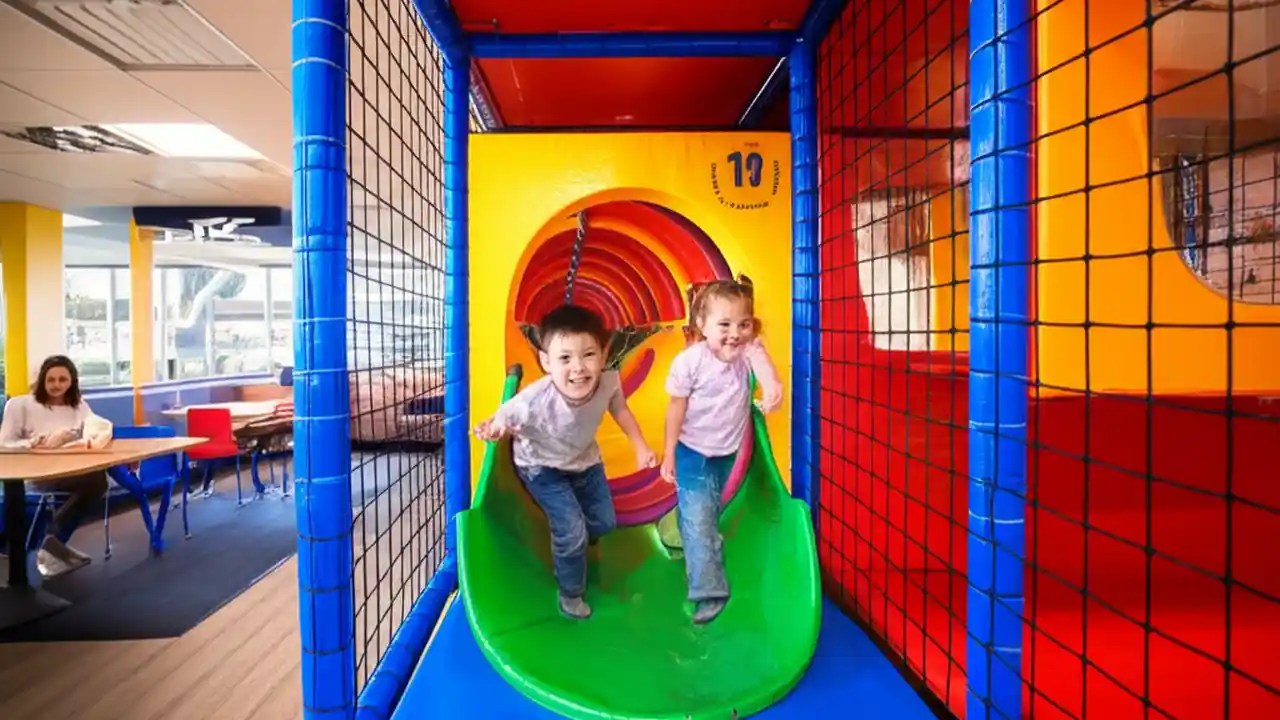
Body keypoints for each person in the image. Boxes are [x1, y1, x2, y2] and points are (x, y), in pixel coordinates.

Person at [475, 305, 658, 619]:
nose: (578, 368)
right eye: (565, 358)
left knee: (604, 523)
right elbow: (505, 416)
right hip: (543, 469)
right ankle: (571, 592)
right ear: (546, 361)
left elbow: (621, 411)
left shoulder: (608, 382)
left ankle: (578, 542)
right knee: (572, 532)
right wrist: (493, 428)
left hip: (586, 462)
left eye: (588, 355)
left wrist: (640, 446)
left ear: (604, 353)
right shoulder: (534, 400)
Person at [661, 278, 783, 624]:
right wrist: (669, 452)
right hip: (693, 451)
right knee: (701, 520)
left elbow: (764, 369)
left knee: (706, 511)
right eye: (724, 325)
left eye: (743, 324)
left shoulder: (747, 349)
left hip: (730, 451)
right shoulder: (690, 362)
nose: (735, 333)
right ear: (702, 325)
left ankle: (678, 526)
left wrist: (773, 388)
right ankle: (708, 592)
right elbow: (676, 409)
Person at [0, 355, 114, 573]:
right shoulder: (20, 405)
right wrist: (31, 443)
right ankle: (53, 541)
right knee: (97, 481)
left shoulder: (78, 405)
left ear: (72, 382)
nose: (56, 385)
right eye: (51, 379)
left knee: (100, 479)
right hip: (36, 472)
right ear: (42, 380)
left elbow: (94, 426)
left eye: (63, 379)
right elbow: (4, 444)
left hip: (71, 469)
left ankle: (52, 541)